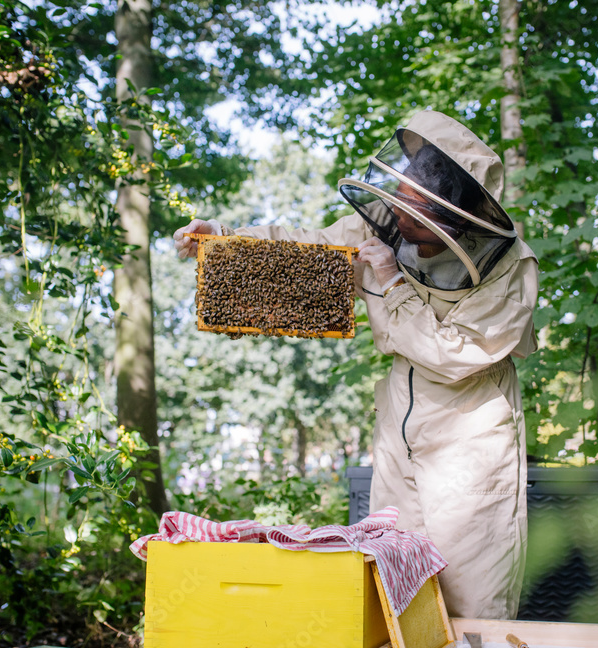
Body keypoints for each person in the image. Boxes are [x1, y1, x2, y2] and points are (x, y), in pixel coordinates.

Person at [174, 110, 539, 619]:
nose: (400, 222)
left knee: (471, 594)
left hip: (470, 434)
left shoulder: (509, 268)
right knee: (397, 587)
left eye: (414, 213)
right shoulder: (388, 220)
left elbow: (455, 358)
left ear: (452, 213)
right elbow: (308, 251)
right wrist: (226, 240)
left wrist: (391, 284)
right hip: (397, 427)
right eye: (400, 205)